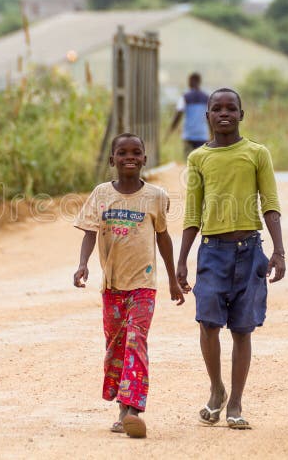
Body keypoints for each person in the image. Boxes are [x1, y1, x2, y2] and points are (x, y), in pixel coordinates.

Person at [176, 88, 286, 430]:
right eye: (216, 108)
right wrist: (182, 260)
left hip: (249, 251)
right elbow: (193, 212)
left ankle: (236, 400)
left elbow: (270, 204)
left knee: (242, 329)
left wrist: (279, 251)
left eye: (231, 108)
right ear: (207, 115)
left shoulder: (257, 153)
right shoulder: (198, 159)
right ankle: (217, 388)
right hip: (211, 251)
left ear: (242, 114)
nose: (224, 113)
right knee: (207, 323)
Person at [73, 133, 190, 439]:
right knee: (116, 345)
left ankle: (132, 408)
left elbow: (162, 237)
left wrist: (172, 279)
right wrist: (83, 264)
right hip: (112, 286)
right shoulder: (100, 194)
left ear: (144, 159)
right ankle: (121, 410)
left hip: (143, 285)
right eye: (121, 153)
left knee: (137, 341)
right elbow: (89, 232)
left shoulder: (155, 196)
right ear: (112, 159)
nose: (129, 157)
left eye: (135, 152)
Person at [169, 72, 210, 159]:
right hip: (202, 135)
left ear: (190, 81)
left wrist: (171, 129)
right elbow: (210, 117)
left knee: (188, 161)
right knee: (201, 161)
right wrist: (213, 134)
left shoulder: (185, 97)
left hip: (188, 135)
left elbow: (178, 115)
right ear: (200, 82)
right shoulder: (207, 98)